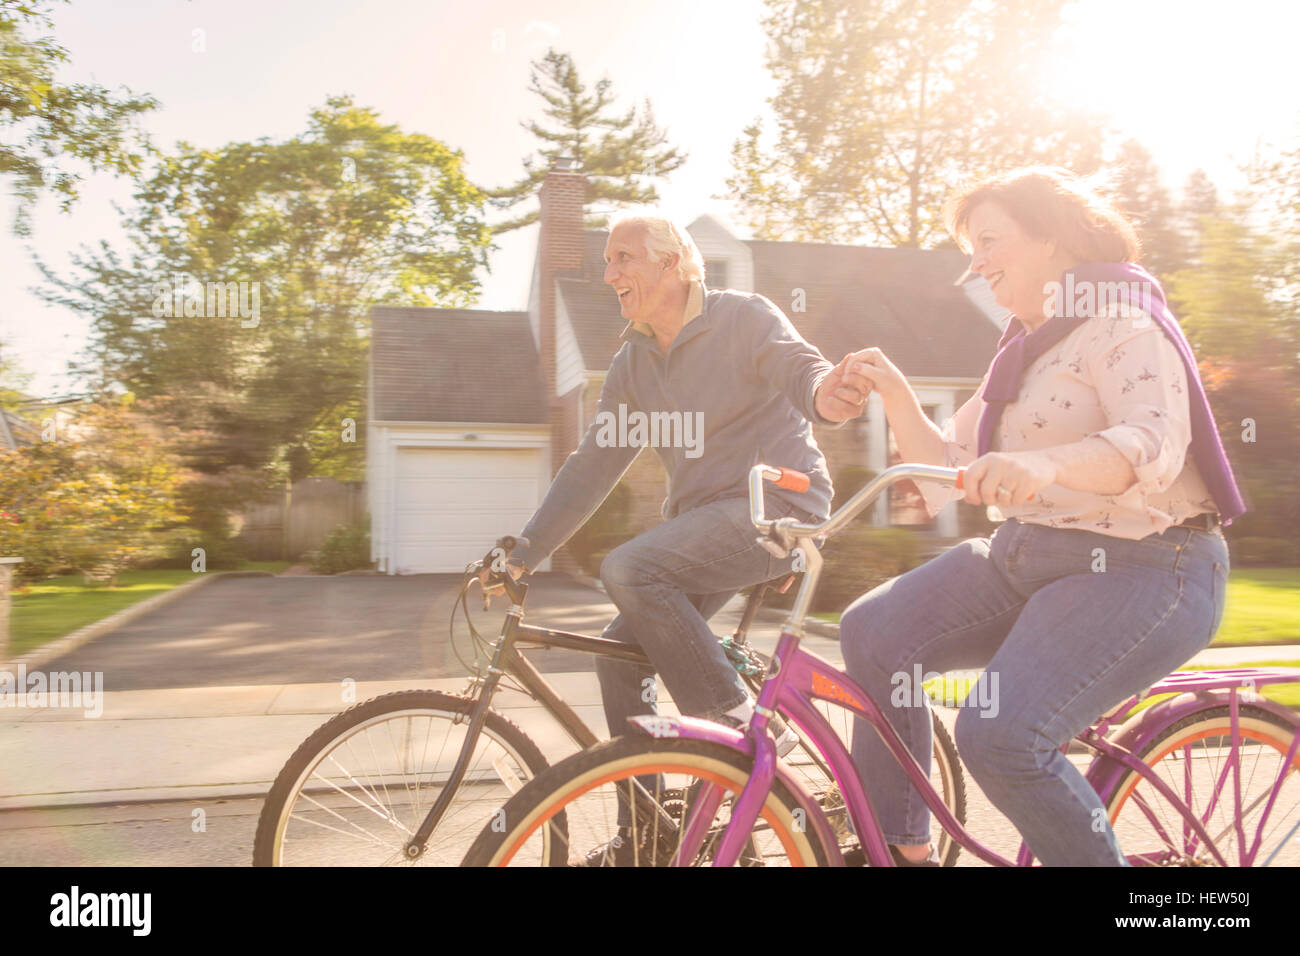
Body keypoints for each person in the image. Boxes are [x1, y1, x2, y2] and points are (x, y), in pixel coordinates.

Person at [835, 167, 1245, 866]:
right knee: (872, 633)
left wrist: (1047, 465)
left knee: (998, 732)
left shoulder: (1125, 320)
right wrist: (895, 391)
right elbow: (946, 467)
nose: (977, 263)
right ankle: (903, 852)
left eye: (990, 240)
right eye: (970, 248)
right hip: (1028, 554)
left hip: (1149, 565)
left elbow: (1152, 441)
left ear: (1053, 239)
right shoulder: (1021, 353)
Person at [482, 214, 870, 859]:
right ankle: (651, 838)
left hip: (775, 506)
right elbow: (594, 464)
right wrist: (524, 552)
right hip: (704, 524)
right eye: (608, 263)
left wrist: (830, 393)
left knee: (631, 569)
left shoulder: (744, 317)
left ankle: (737, 734)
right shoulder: (635, 362)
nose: (610, 275)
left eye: (624, 258)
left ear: (673, 265)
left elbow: (806, 373)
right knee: (619, 654)